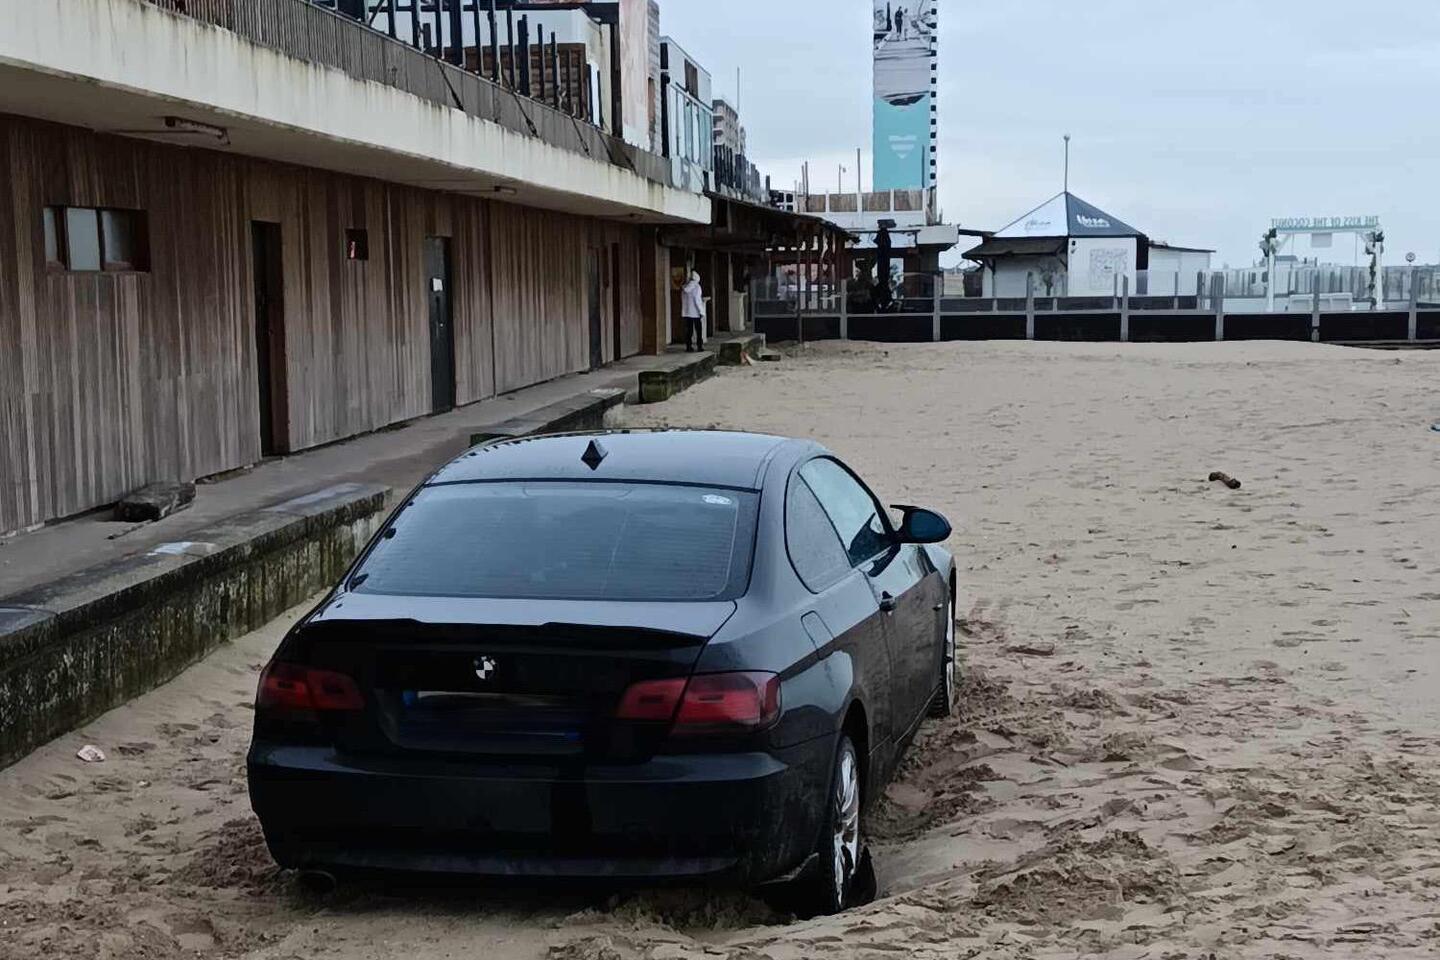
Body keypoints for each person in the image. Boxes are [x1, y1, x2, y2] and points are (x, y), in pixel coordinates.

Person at [681, 270, 705, 352]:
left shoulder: (685, 287)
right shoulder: (697, 287)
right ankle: (699, 346)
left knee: (689, 330)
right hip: (696, 313)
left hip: (687, 313)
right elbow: (697, 301)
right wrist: (701, 311)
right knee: (698, 330)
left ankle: (688, 347)